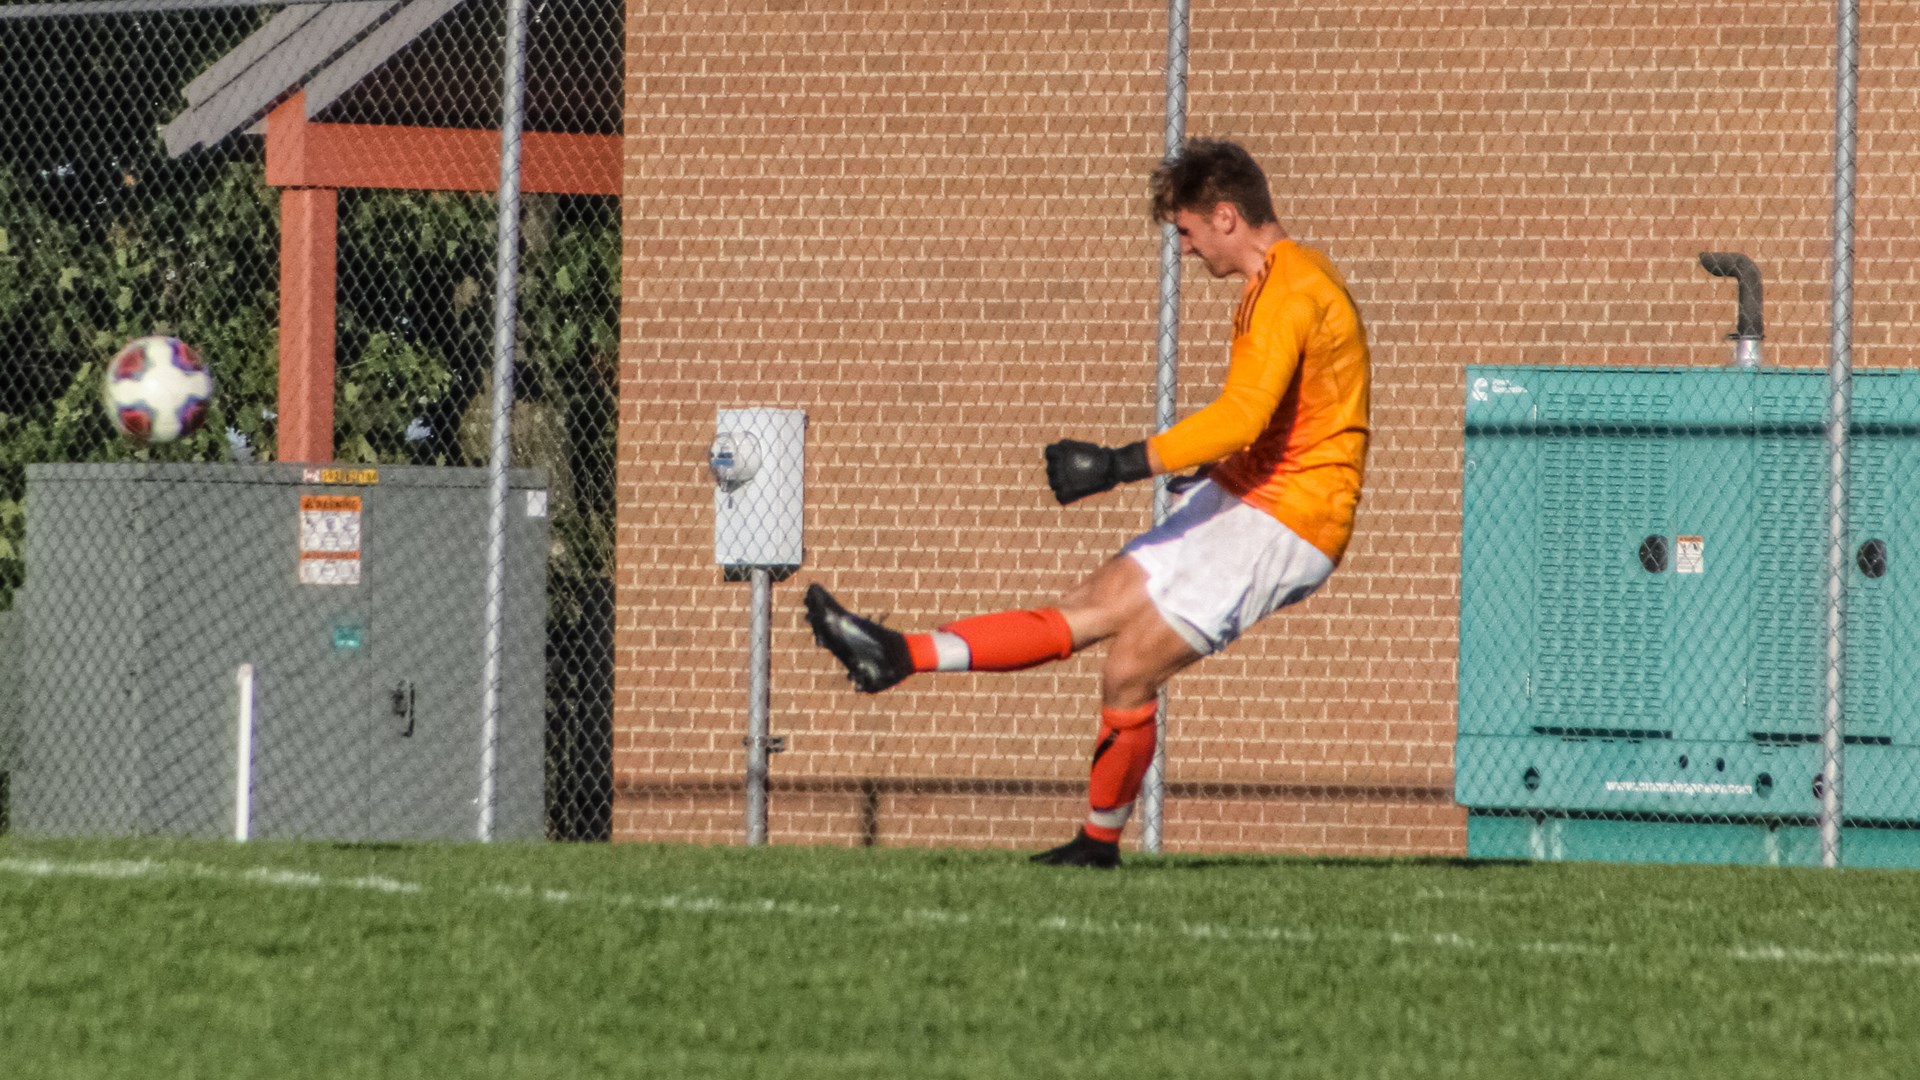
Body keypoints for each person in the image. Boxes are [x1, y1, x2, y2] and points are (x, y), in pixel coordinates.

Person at [805, 138, 1371, 868]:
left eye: (1188, 232)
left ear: (1226, 216)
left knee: (1128, 667)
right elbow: (1297, 412)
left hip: (1287, 520)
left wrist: (1115, 465)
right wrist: (1209, 469)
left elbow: (1242, 415)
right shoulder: (1288, 280)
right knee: (1094, 604)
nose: (1188, 250)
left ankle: (1097, 844)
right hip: (1250, 492)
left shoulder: (1288, 291)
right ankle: (896, 655)